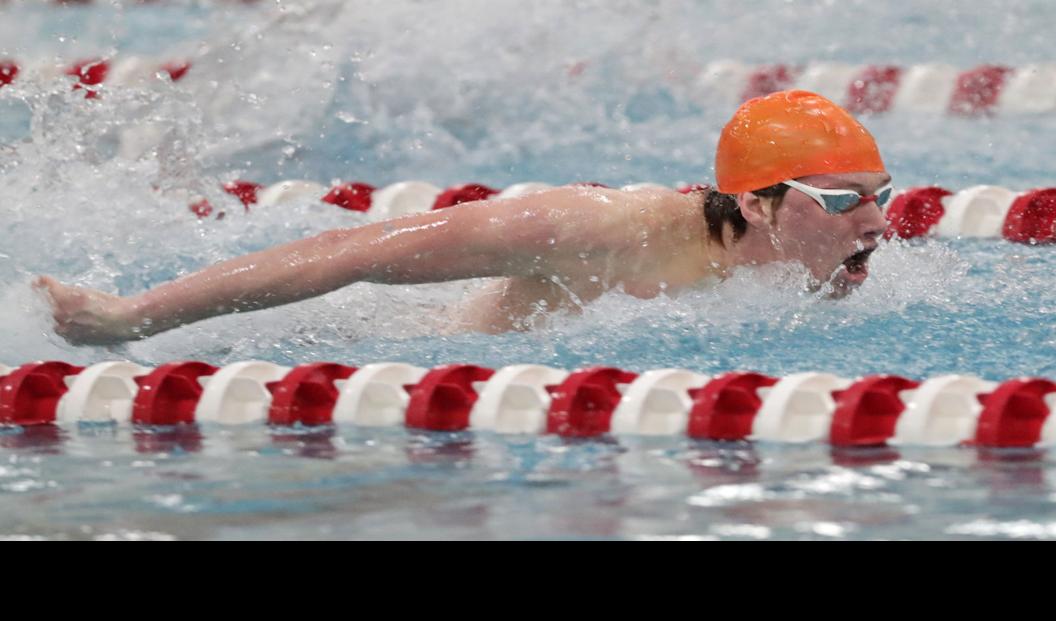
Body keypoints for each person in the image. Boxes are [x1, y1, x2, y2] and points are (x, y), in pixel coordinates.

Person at [36, 90, 894, 345]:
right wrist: (132, 317)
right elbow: (353, 249)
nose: (877, 225)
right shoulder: (596, 230)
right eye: (845, 202)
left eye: (882, 195)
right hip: (410, 353)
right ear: (754, 202)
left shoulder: (813, 265)